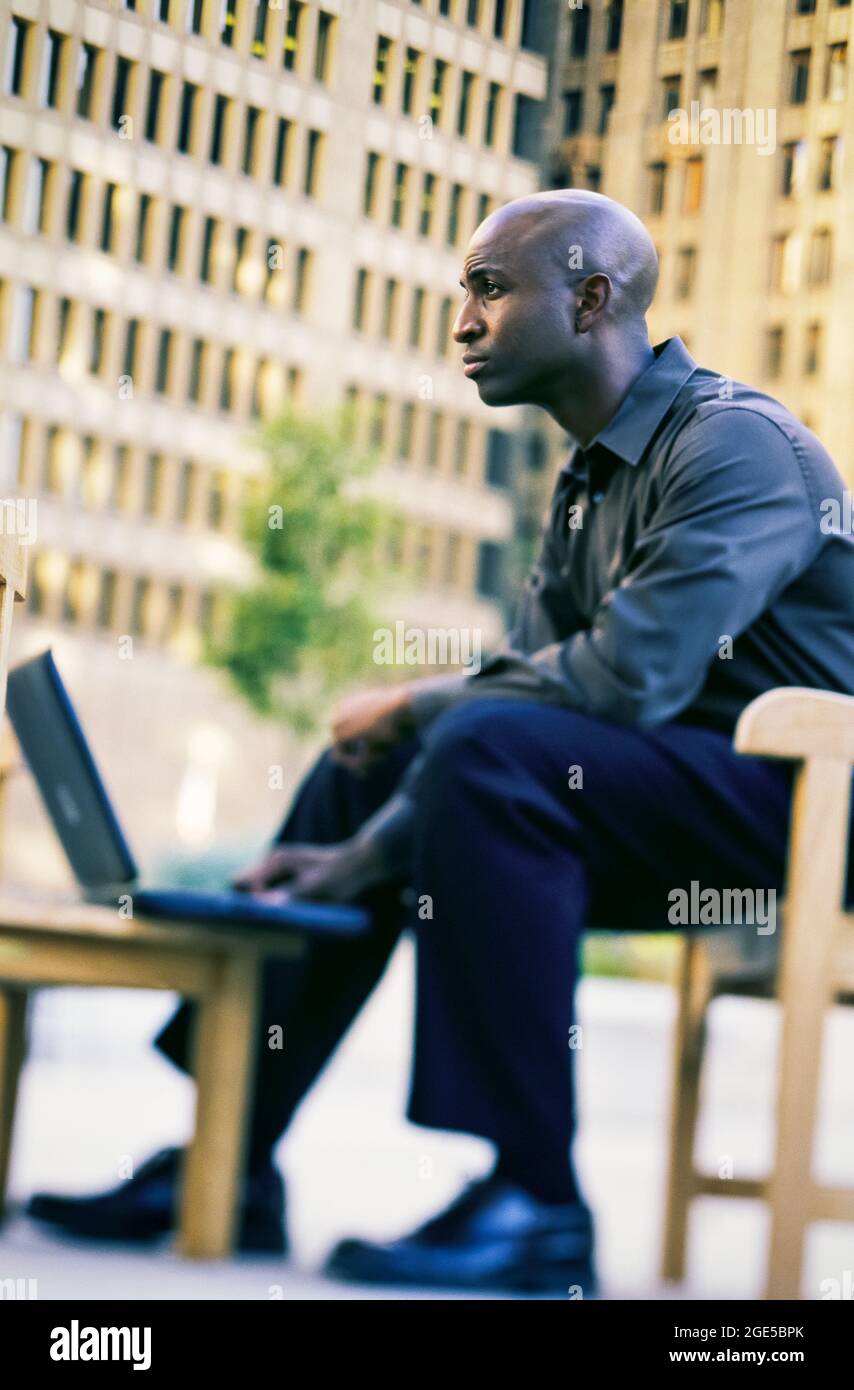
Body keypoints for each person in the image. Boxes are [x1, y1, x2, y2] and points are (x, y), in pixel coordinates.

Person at [28, 190, 854, 1295]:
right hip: (651, 793)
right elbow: (520, 712)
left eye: (488, 288)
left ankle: (537, 1202)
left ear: (589, 298)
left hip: (800, 808)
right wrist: (360, 852)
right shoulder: (584, 486)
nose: (459, 321)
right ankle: (230, 1153)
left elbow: (626, 678)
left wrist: (421, 704)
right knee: (374, 764)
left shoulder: (733, 445)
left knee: (475, 744)